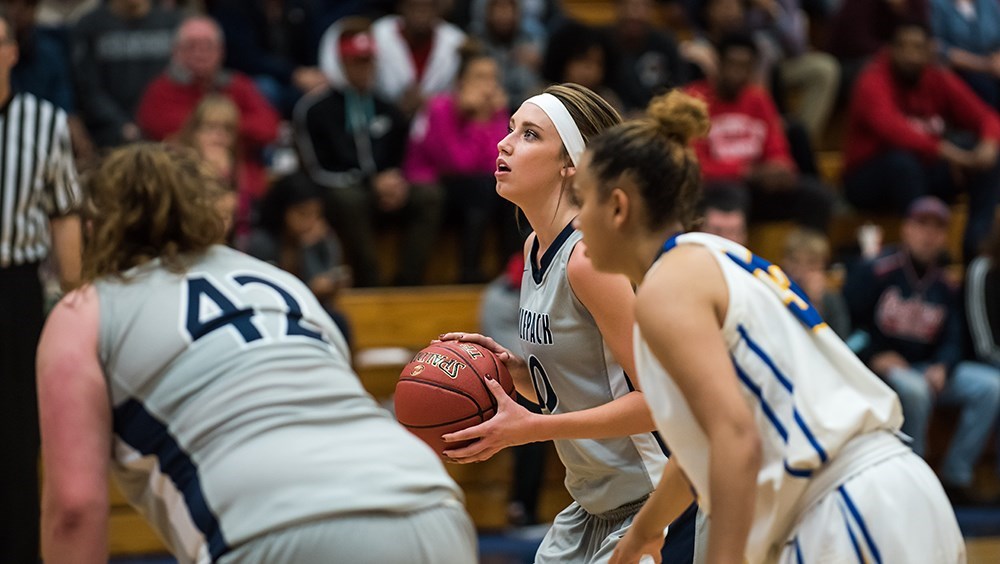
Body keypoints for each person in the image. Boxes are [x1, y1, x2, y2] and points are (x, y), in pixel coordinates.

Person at [568, 89, 965, 563]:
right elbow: (703, 445)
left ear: (617, 207)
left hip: (845, 506)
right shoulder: (707, 258)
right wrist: (642, 535)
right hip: (889, 491)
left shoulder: (666, 288)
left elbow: (735, 439)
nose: (576, 222)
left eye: (581, 200)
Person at [36, 143, 477, 563]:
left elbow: (74, 507)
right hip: (428, 502)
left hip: (272, 523)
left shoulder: (85, 310)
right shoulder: (281, 282)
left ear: (95, 225)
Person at [439, 83, 700, 563]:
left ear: (572, 164)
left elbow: (661, 403)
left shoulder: (588, 259)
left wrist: (532, 428)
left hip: (660, 503)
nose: (505, 142)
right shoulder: (534, 249)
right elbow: (587, 386)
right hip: (592, 505)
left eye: (530, 133)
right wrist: (510, 374)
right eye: (511, 128)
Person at [844, 195, 1000, 504]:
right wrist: (875, 356)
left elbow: (955, 338)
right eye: (922, 225)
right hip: (881, 370)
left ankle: (957, 477)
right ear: (906, 229)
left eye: (937, 228)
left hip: (928, 368)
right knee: (914, 390)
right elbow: (849, 330)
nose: (929, 235)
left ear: (944, 237)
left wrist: (943, 364)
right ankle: (913, 481)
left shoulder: (945, 284)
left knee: (991, 387)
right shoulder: (875, 271)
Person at [0, 10, 82, 562]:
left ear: (11, 51)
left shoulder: (44, 120)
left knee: (17, 436)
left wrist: (76, 294)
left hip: (16, 289)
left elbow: (65, 211)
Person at [295, 23, 443, 286]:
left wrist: (397, 182)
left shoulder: (387, 107)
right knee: (350, 200)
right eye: (356, 61)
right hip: (341, 189)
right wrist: (369, 182)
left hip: (385, 188)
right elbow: (316, 169)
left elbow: (405, 155)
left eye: (368, 61)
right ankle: (371, 282)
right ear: (342, 63)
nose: (363, 68)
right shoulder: (315, 109)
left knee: (430, 195)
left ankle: (409, 281)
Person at [843, 21, 1000, 263]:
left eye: (918, 48)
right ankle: (924, 251)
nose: (911, 55)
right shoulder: (872, 79)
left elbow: (985, 116)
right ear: (890, 50)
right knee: (902, 163)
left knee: (990, 159)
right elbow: (893, 130)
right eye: (903, 47)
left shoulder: (936, 77)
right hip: (868, 177)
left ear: (929, 50)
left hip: (924, 170)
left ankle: (976, 246)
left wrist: (989, 142)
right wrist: (945, 151)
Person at [685, 33, 833, 232]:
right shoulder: (694, 99)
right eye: (732, 64)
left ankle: (805, 259)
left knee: (817, 196)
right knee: (733, 195)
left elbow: (778, 147)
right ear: (718, 64)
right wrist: (745, 172)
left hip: (756, 186)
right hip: (714, 190)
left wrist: (780, 168)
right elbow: (695, 164)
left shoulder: (758, 99)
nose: (738, 73)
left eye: (745, 66)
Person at [404, 39, 514, 283]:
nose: (488, 86)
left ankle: (514, 273)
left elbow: (497, 162)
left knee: (509, 189)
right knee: (482, 189)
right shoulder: (439, 108)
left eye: (492, 78)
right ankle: (469, 272)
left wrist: (489, 118)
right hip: (431, 182)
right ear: (460, 82)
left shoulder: (496, 111)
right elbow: (458, 164)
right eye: (480, 77)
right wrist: (479, 121)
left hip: (473, 186)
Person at [71, 0, 181, 147]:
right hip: (108, 133)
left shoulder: (172, 22)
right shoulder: (89, 25)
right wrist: (120, 123)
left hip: (162, 130)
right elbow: (87, 88)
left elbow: (180, 80)